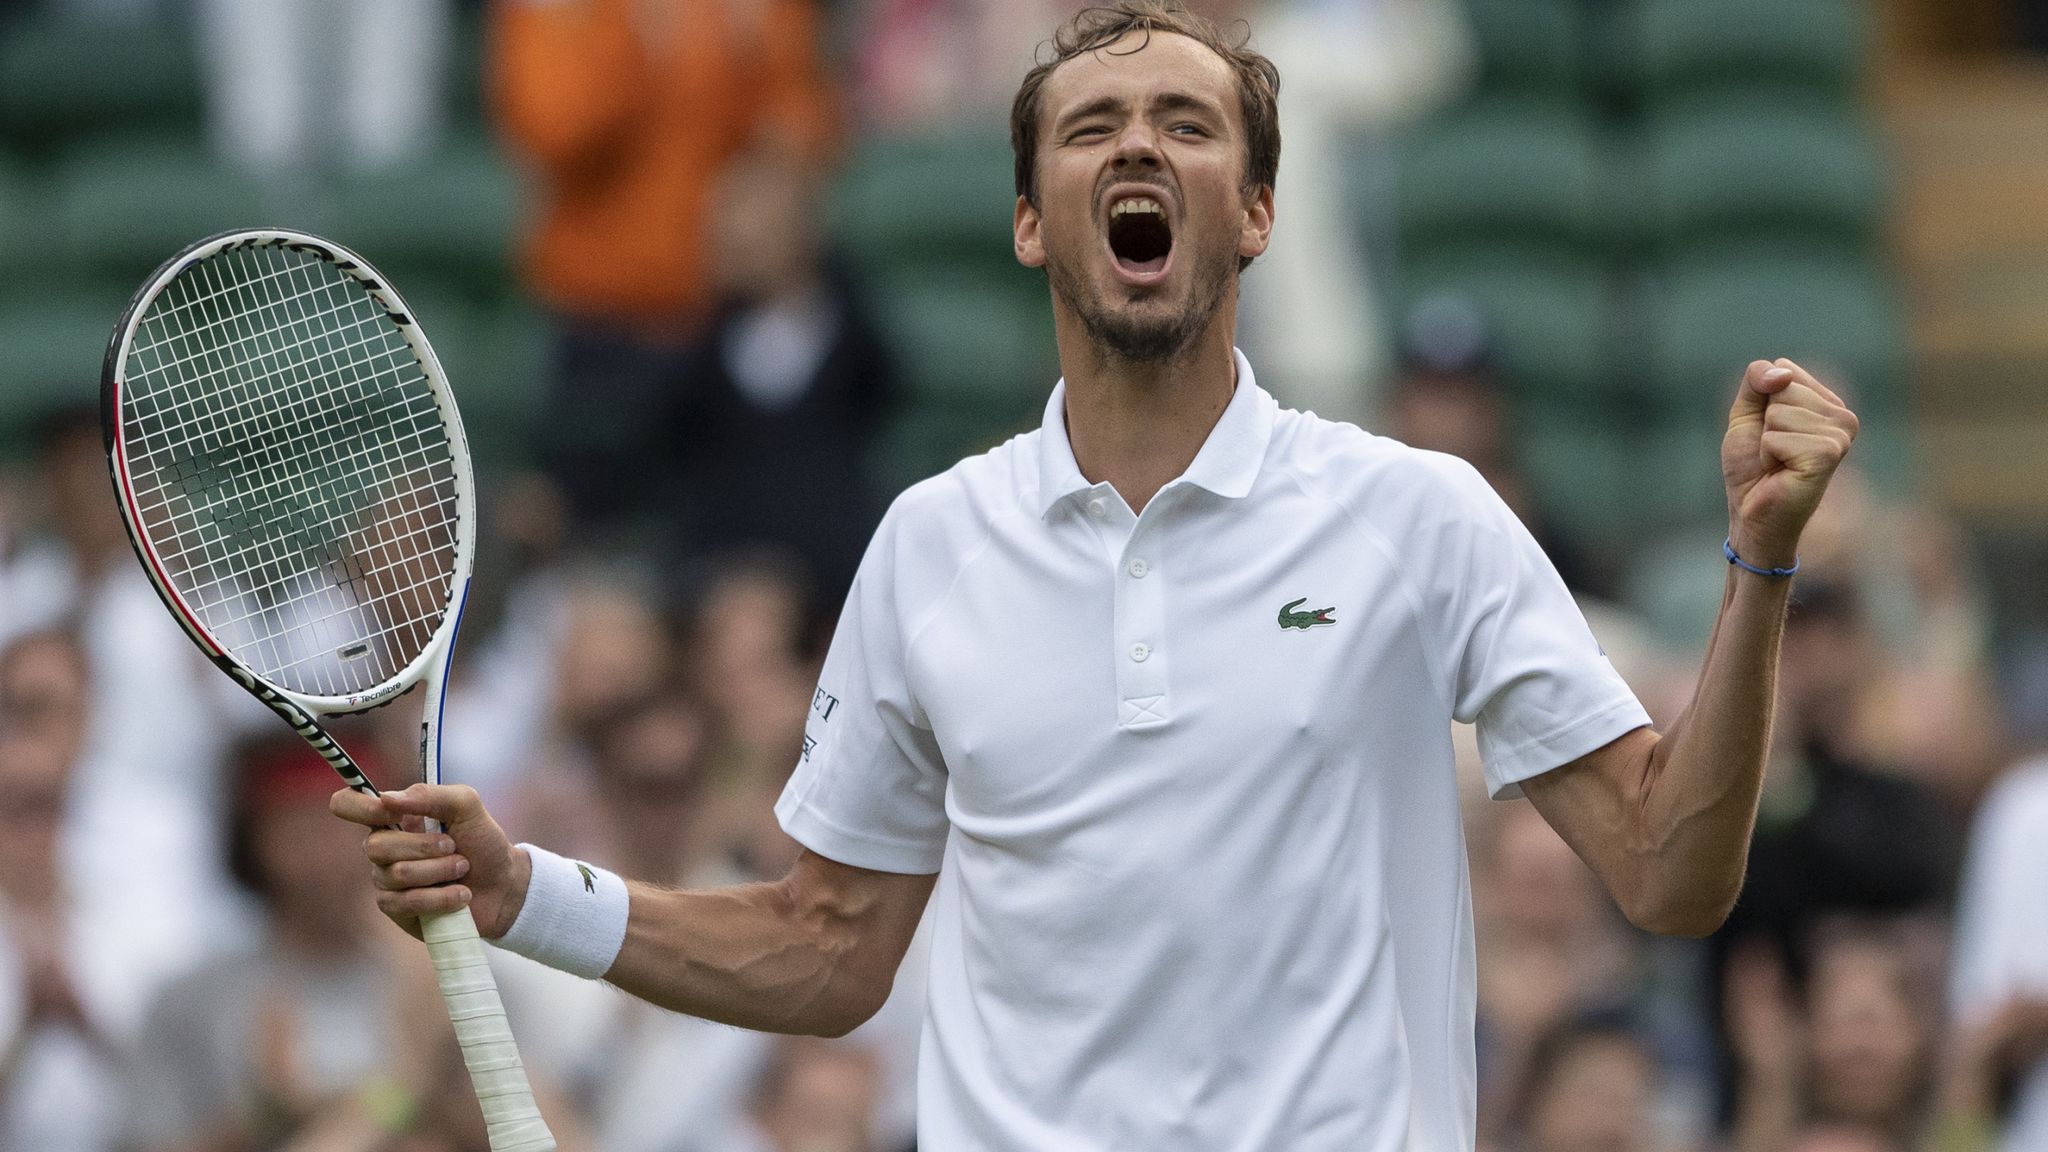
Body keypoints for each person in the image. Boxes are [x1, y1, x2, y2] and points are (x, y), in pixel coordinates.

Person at [333, 3, 1861, 1148]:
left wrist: (1760, 567)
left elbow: (1672, 869)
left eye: (1189, 124)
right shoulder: (931, 545)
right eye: (1092, 125)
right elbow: (826, 947)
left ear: (1255, 213)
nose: (1140, 143)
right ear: (1025, 222)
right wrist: (526, 890)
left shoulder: (1420, 516)